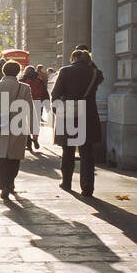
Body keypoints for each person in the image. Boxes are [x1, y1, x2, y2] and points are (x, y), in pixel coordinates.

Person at [50, 48, 103, 196]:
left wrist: (57, 111)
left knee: (68, 150)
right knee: (87, 152)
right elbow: (98, 76)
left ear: (73, 58)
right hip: (88, 114)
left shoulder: (65, 71)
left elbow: (55, 94)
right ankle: (87, 186)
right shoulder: (95, 73)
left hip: (69, 114)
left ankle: (66, 182)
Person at [0, 60, 31, 200]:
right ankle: (10, 182)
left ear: (3, 71)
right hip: (18, 123)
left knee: (0, 157)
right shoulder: (25, 88)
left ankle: (3, 185)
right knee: (14, 156)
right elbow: (29, 108)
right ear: (18, 72)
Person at [22, 65, 47, 151]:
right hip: (38, 103)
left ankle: (28, 143)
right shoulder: (40, 81)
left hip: (25, 103)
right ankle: (35, 138)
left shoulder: (22, 81)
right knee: (36, 123)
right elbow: (45, 93)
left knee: (26, 123)